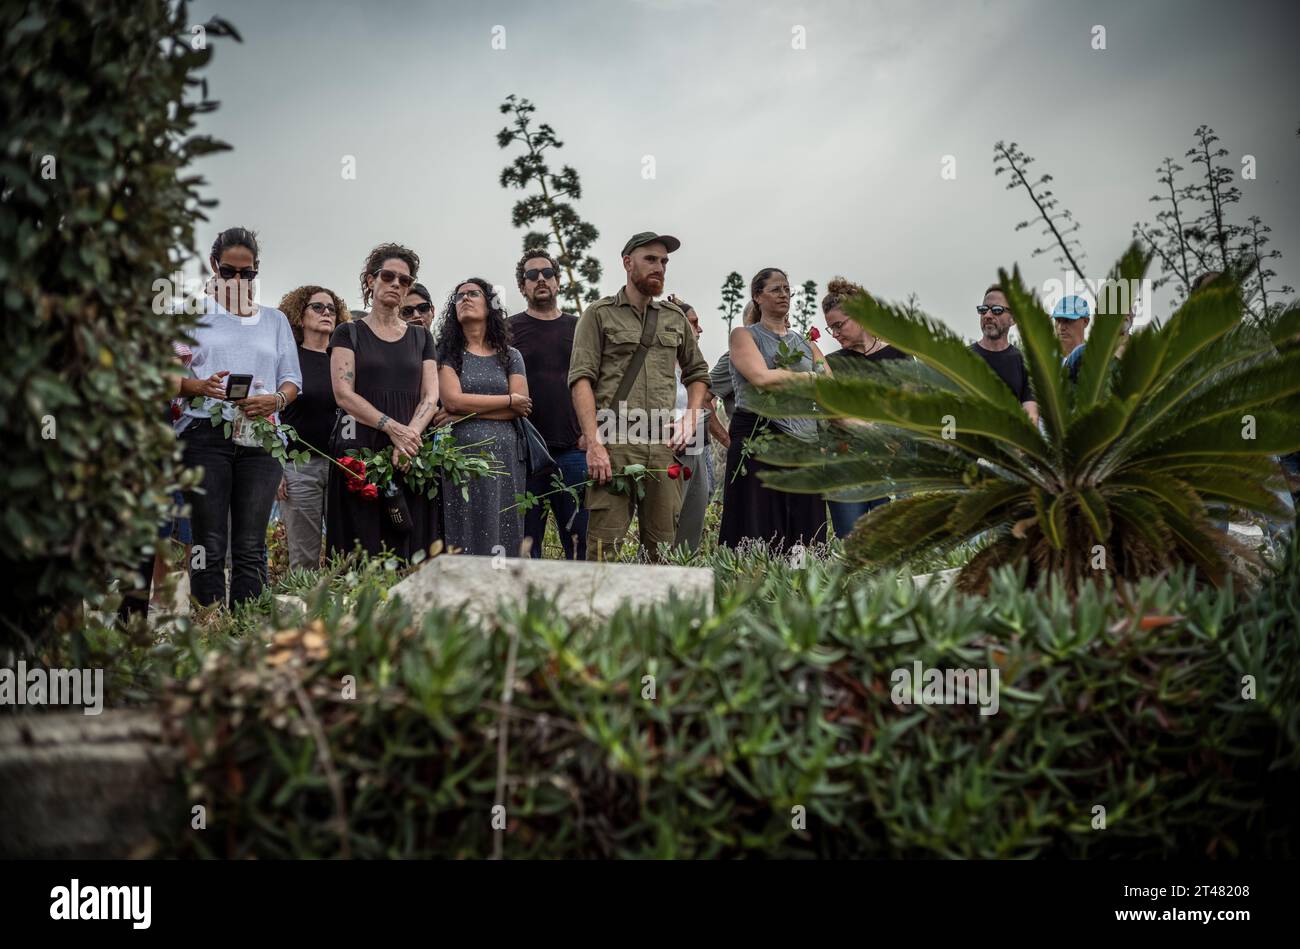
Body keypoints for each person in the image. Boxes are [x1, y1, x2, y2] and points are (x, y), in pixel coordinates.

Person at [176, 227, 302, 609]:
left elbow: (292, 380)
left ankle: (246, 637)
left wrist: (275, 400)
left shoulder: (275, 320)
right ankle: (209, 629)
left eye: (247, 274)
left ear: (256, 272)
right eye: (229, 271)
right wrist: (199, 387)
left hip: (261, 437)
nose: (237, 280)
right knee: (209, 541)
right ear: (214, 266)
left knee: (250, 543)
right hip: (203, 432)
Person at [568, 232, 709, 561]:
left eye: (664, 262)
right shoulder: (599, 314)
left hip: (663, 444)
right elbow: (580, 379)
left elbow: (698, 373)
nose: (659, 267)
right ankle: (599, 613)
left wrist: (690, 418)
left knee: (662, 550)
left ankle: (651, 613)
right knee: (605, 549)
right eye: (651, 259)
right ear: (627, 262)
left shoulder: (675, 319)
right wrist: (594, 443)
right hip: (614, 442)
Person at [327, 243, 440, 560]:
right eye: (388, 276)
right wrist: (393, 429)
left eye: (404, 280)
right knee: (360, 548)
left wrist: (409, 437)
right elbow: (343, 393)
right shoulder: (347, 333)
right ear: (369, 281)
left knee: (407, 541)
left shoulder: (422, 338)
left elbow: (431, 396)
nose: (396, 284)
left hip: (408, 452)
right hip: (360, 448)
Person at [719, 267, 830, 550]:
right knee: (758, 528)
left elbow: (832, 387)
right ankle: (754, 588)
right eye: (776, 289)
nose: (784, 295)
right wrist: (809, 379)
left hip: (803, 444)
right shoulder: (743, 336)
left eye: (787, 289)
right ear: (757, 296)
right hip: (758, 438)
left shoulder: (806, 344)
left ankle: (802, 588)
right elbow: (761, 378)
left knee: (806, 532)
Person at [436, 278, 531, 556]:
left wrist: (461, 415)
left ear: (490, 304)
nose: (464, 298)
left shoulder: (510, 355)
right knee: (464, 528)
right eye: (459, 296)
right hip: (460, 456)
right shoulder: (447, 353)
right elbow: (452, 399)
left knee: (504, 526)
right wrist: (508, 401)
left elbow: (522, 407)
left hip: (506, 456)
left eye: (473, 293)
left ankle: (502, 593)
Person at [508, 248, 589, 559]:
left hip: (574, 450)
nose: (540, 279)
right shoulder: (508, 329)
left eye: (547, 273)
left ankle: (579, 605)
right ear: (522, 286)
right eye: (531, 275)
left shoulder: (580, 327)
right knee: (527, 545)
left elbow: (600, 382)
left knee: (579, 541)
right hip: (525, 454)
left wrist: (591, 434)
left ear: (558, 282)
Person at [821, 277, 908, 538]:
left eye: (839, 326)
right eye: (830, 329)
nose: (835, 334)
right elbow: (833, 416)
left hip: (892, 465)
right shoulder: (831, 364)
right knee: (850, 543)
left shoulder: (900, 355)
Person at [277, 285, 349, 570]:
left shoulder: (345, 358)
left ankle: (344, 614)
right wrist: (275, 467)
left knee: (345, 555)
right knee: (304, 557)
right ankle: (302, 613)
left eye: (331, 308)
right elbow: (271, 415)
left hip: (343, 466)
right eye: (318, 307)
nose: (326, 313)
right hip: (299, 467)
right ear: (300, 315)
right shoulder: (288, 357)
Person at [668, 296, 729, 553]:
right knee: (666, 526)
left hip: (698, 448)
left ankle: (685, 576)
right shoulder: (659, 366)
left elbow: (706, 406)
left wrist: (726, 441)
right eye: (693, 323)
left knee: (693, 524)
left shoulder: (693, 368)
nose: (700, 329)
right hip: (670, 451)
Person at [970, 284, 1038, 424]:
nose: (988, 316)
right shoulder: (963, 356)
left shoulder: (1024, 363)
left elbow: (1031, 416)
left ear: (1013, 319)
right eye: (983, 310)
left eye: (997, 310)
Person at [1052, 294, 1090, 358]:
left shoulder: (1098, 360)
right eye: (1058, 320)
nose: (1061, 327)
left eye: (1067, 320)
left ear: (1085, 321)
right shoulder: (1043, 360)